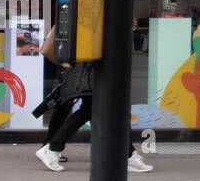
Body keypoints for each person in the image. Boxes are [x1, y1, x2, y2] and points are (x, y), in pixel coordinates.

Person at [34, 30, 152, 173]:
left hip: (93, 71)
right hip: (96, 73)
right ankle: (127, 157)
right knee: (112, 111)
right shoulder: (100, 16)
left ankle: (52, 148)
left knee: (88, 111)